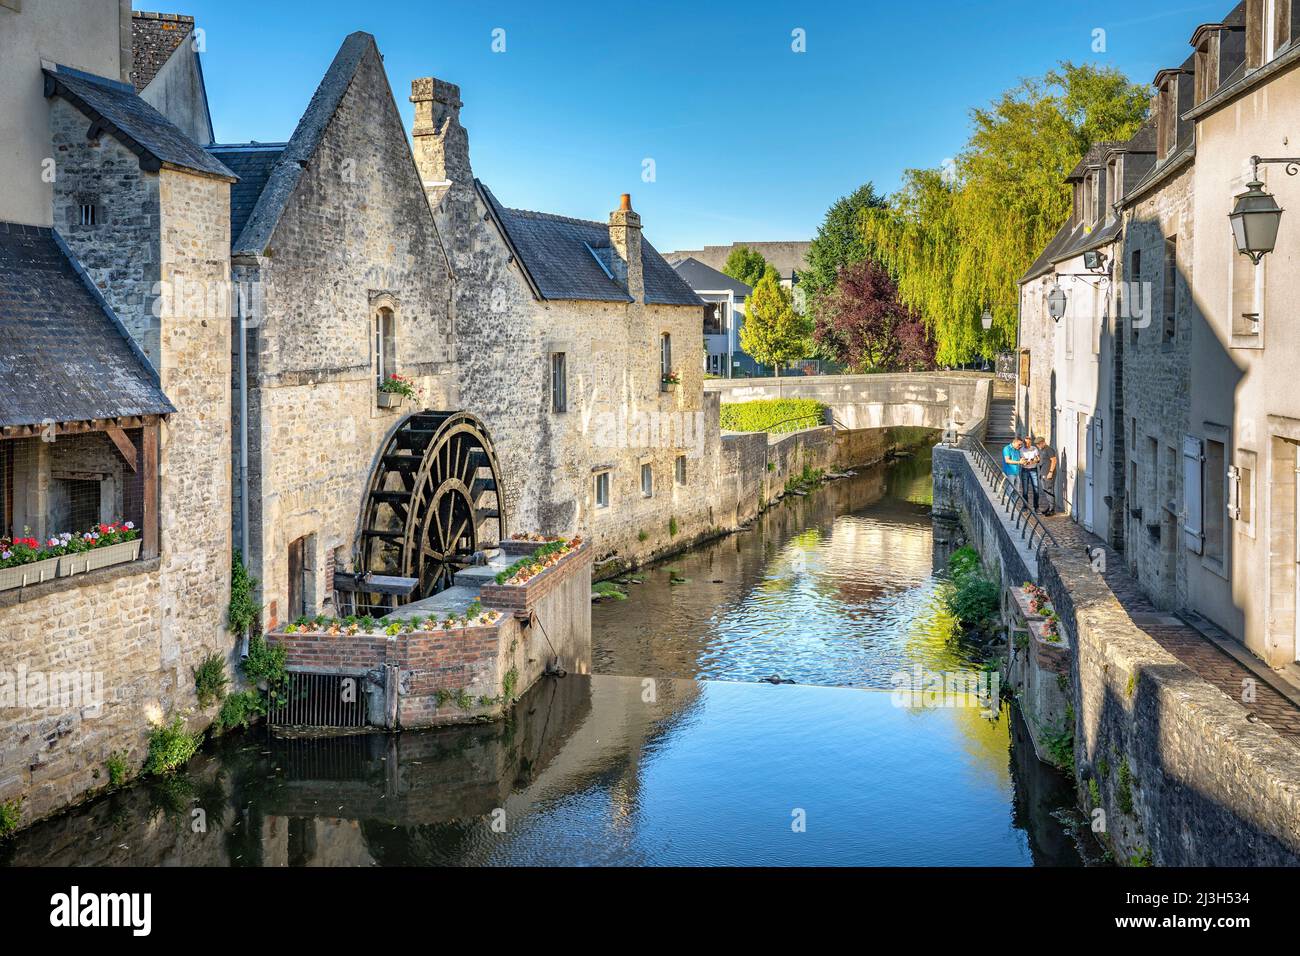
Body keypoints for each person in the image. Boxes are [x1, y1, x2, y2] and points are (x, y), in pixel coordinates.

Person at [1036, 436, 1058, 515]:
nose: (1037, 446)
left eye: (1038, 444)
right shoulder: (1041, 450)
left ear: (1042, 442)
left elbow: (1054, 461)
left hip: (1048, 474)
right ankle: (1049, 507)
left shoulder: (1049, 449)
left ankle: (1052, 509)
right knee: (1045, 490)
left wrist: (1051, 472)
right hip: (1043, 473)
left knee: (1049, 490)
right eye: (1037, 445)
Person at [1018, 437, 1041, 510]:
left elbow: (1038, 459)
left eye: (1028, 443)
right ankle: (1025, 506)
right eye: (1025, 443)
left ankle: (1036, 507)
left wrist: (1032, 461)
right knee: (1025, 489)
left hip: (1033, 470)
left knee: (1036, 489)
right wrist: (1025, 461)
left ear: (1030, 443)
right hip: (1024, 470)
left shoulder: (1034, 449)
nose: (1027, 444)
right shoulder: (1021, 450)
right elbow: (1020, 459)